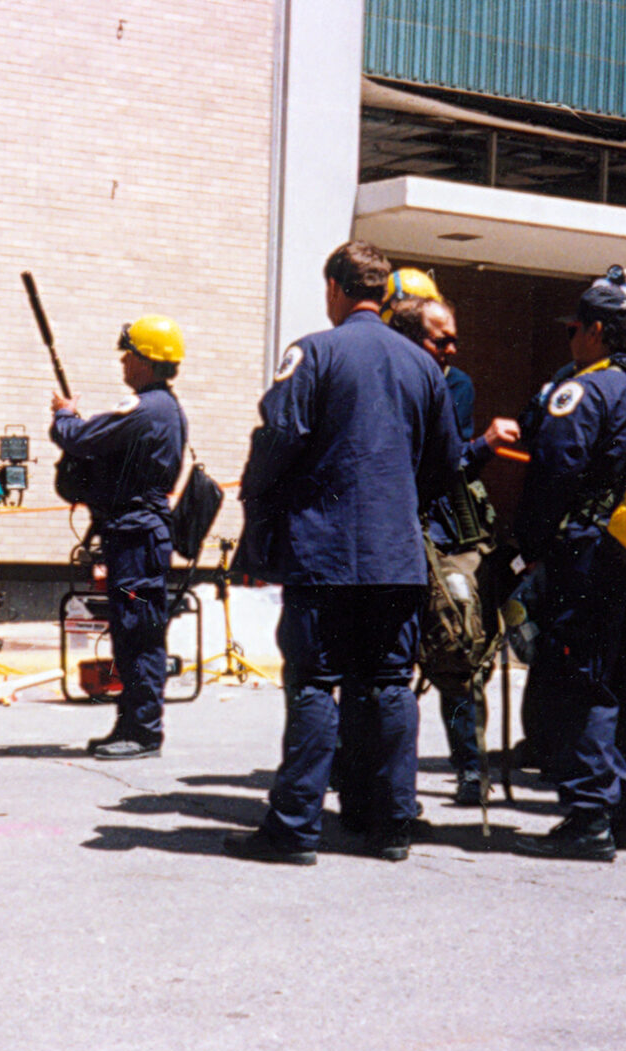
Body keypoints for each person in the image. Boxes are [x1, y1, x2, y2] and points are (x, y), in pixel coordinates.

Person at [224, 241, 460, 865]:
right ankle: (388, 825)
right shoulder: (421, 366)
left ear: (333, 286)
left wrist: (260, 508)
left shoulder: (314, 352)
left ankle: (294, 828)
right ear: (384, 294)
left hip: (324, 551)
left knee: (313, 684)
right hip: (396, 555)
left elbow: (277, 441)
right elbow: (445, 466)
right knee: (388, 685)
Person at [510, 267, 626, 862]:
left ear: (598, 329)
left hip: (591, 557)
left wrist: (526, 547)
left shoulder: (585, 389)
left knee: (586, 683)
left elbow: (552, 475)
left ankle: (588, 817)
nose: (572, 338)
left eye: (576, 327)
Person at [387, 286, 521, 804]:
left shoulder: (454, 384)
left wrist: (482, 445)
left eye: (452, 341)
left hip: (447, 538)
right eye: (440, 341)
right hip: (397, 533)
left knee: (459, 653)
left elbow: (448, 463)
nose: (451, 351)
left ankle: (471, 769)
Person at [49, 315, 187, 760]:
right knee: (131, 634)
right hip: (136, 537)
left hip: (136, 539)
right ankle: (131, 724)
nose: (124, 362)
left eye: (129, 354)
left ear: (147, 360)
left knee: (138, 633)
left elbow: (81, 438)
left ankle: (144, 731)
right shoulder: (166, 409)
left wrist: (64, 415)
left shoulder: (145, 410)